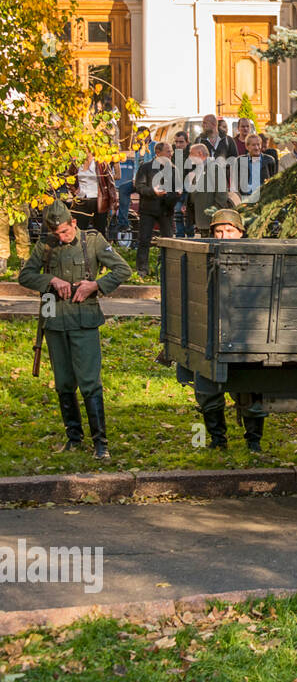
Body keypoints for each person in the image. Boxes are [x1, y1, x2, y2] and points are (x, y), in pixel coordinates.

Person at [18, 201, 131, 459]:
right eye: (56, 233)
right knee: (64, 383)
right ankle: (74, 438)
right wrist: (51, 280)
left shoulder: (92, 240)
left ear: (74, 224)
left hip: (84, 320)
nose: (61, 237)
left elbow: (123, 269)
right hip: (55, 321)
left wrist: (95, 285)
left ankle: (101, 444)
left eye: (65, 232)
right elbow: (25, 276)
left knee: (90, 382)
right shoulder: (46, 244)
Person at [175, 208, 268, 452]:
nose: (224, 236)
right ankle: (218, 442)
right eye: (219, 231)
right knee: (207, 392)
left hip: (245, 338)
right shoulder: (201, 258)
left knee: (251, 391)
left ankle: (254, 443)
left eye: (229, 231)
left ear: (240, 233)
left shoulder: (256, 258)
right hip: (210, 337)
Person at [133, 140, 178, 275]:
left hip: (166, 210)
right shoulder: (145, 167)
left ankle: (167, 270)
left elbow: (177, 190)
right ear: (158, 152)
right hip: (148, 209)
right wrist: (153, 192)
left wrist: (175, 195)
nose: (171, 154)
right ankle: (142, 269)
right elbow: (139, 187)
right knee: (144, 240)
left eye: (171, 151)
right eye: (168, 151)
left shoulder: (174, 169)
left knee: (168, 241)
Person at [185, 143, 239, 236]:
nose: (189, 157)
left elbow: (221, 194)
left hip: (211, 220)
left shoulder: (214, 167)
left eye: (191, 153)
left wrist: (215, 213)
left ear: (200, 153)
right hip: (202, 220)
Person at [66, 153, 117, 235]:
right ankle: (79, 247)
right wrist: (74, 189)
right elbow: (68, 177)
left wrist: (113, 203)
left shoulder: (101, 162)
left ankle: (100, 247)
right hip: (81, 199)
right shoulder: (76, 163)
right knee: (78, 230)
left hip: (98, 200)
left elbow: (110, 183)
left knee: (99, 231)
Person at [234, 132, 277, 205]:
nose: (257, 148)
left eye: (258, 144)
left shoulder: (269, 160)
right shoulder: (239, 161)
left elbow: (273, 181)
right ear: (247, 147)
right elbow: (235, 184)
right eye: (253, 145)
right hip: (245, 199)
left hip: (263, 198)